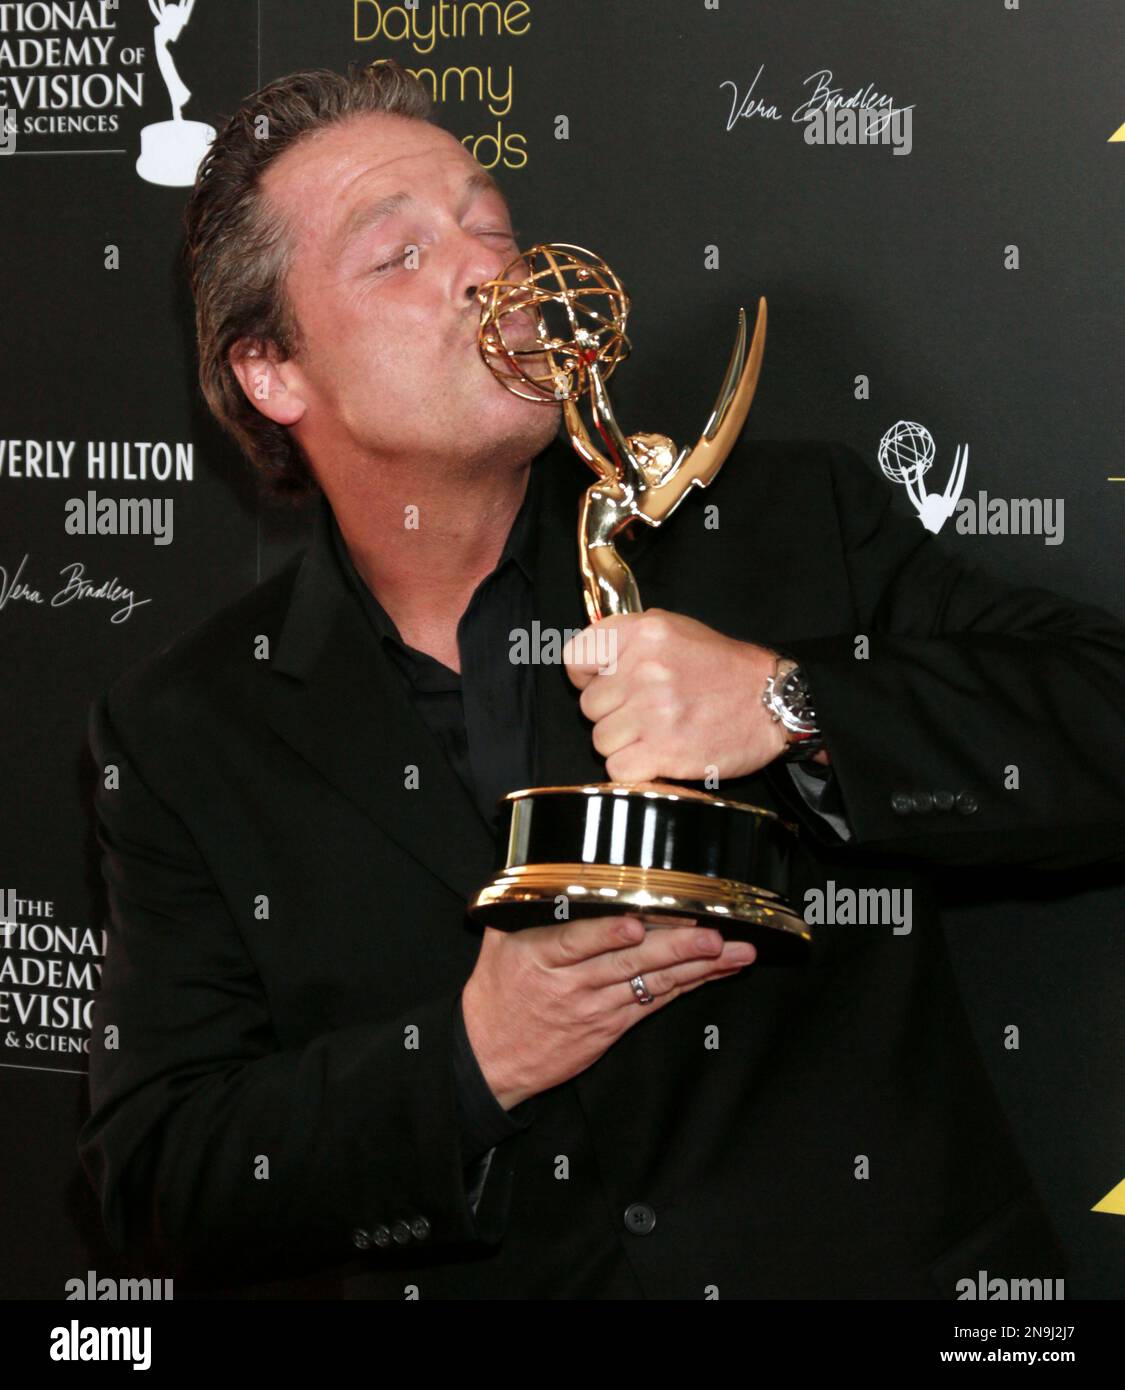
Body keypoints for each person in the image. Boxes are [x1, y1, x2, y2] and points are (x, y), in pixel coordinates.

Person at [77, 59, 1125, 1298]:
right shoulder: (186, 727)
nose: (487, 272)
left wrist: (794, 704)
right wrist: (473, 1058)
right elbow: (154, 1181)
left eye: (489, 224)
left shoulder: (785, 523)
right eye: (397, 255)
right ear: (272, 373)